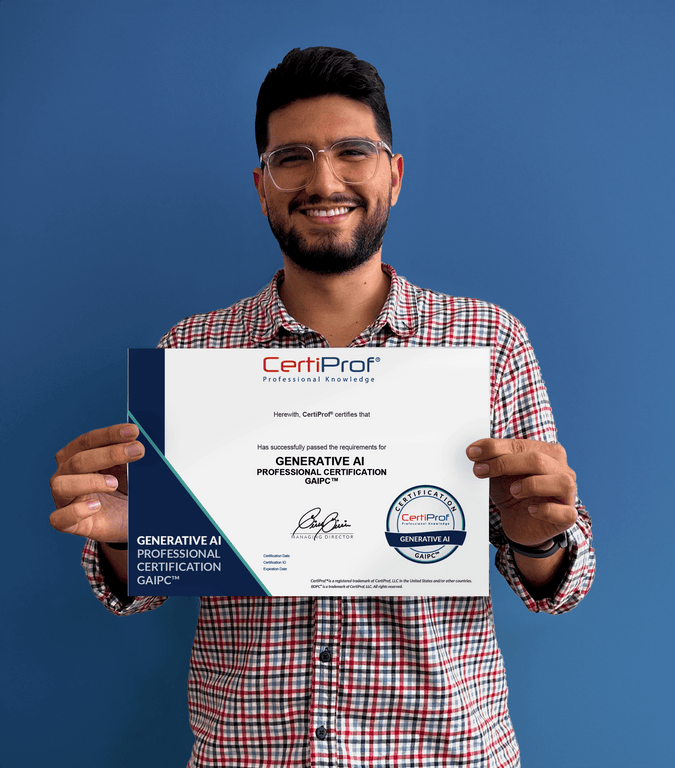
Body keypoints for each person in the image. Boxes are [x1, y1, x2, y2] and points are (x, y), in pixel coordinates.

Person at [49, 47, 595, 768]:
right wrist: (129, 542)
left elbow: (558, 588)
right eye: (293, 158)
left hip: (445, 752)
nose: (324, 180)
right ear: (262, 186)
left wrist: (538, 542)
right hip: (246, 754)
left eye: (352, 152)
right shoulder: (190, 352)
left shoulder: (488, 341)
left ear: (393, 174)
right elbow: (140, 592)